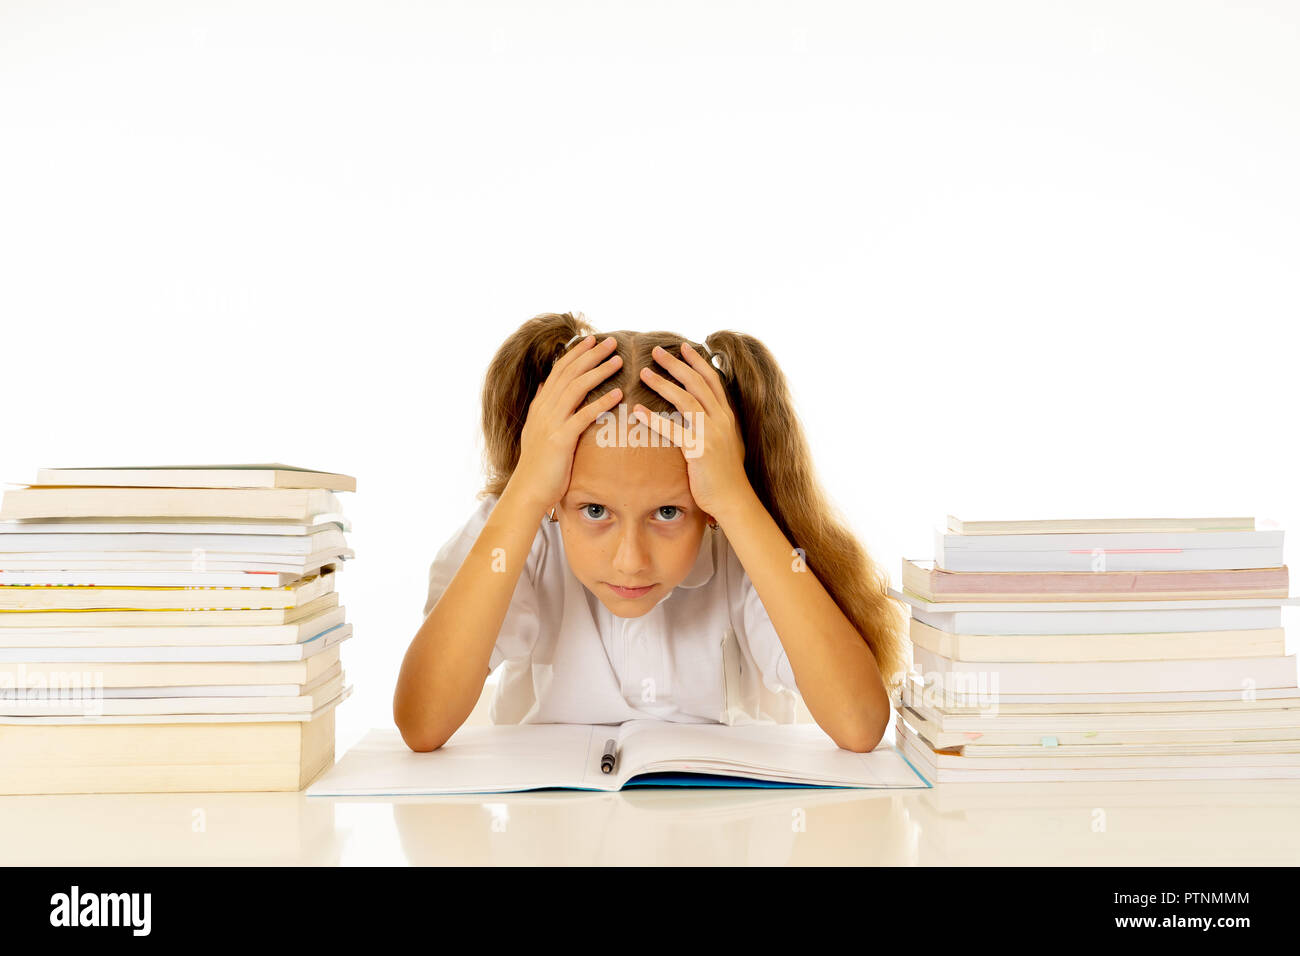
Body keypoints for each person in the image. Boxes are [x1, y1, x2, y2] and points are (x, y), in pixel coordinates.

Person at [393, 311, 906, 752]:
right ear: (555, 501)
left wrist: (736, 499)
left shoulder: (741, 541)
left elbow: (859, 725)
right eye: (595, 512)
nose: (630, 561)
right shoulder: (519, 530)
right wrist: (525, 490)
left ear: (707, 508)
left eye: (667, 514)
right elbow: (422, 722)